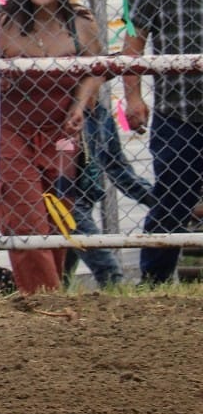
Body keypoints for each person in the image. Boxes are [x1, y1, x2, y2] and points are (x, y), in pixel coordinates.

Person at [0, 0, 103, 294]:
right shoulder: (3, 22)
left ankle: (47, 295)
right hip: (12, 131)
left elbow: (96, 70)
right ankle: (45, 299)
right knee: (26, 219)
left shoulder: (80, 22)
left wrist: (80, 105)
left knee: (58, 217)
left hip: (61, 133)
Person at [121, 0, 203, 285]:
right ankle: (153, 284)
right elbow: (134, 38)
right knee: (172, 197)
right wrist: (133, 98)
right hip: (178, 111)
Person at [57, 93, 156, 288]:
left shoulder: (101, 116)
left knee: (62, 273)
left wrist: (159, 202)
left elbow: (118, 169)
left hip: (85, 200)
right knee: (108, 269)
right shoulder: (67, 115)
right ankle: (121, 302)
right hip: (65, 200)